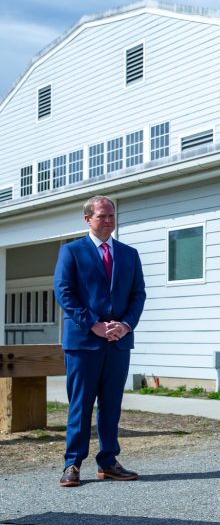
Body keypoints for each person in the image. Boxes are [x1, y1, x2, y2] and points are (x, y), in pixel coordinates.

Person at [53, 195, 146, 487]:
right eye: (101, 216)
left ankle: (108, 461)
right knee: (80, 404)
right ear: (87, 219)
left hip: (117, 342)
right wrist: (92, 324)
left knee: (111, 404)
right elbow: (64, 292)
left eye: (111, 215)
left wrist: (126, 325)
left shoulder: (129, 254)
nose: (108, 220)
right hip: (83, 342)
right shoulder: (72, 252)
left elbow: (138, 294)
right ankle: (72, 463)